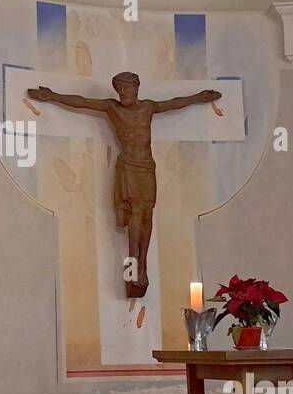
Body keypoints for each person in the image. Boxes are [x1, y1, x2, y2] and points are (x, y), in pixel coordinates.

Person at [27, 72, 221, 297]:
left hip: (146, 165)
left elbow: (175, 103)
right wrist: (52, 96)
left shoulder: (148, 107)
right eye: (119, 89)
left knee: (148, 213)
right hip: (128, 165)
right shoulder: (113, 108)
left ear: (136, 88)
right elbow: (81, 101)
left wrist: (199, 97)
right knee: (136, 213)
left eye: (126, 88)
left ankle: (143, 264)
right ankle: (134, 265)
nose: (122, 93)